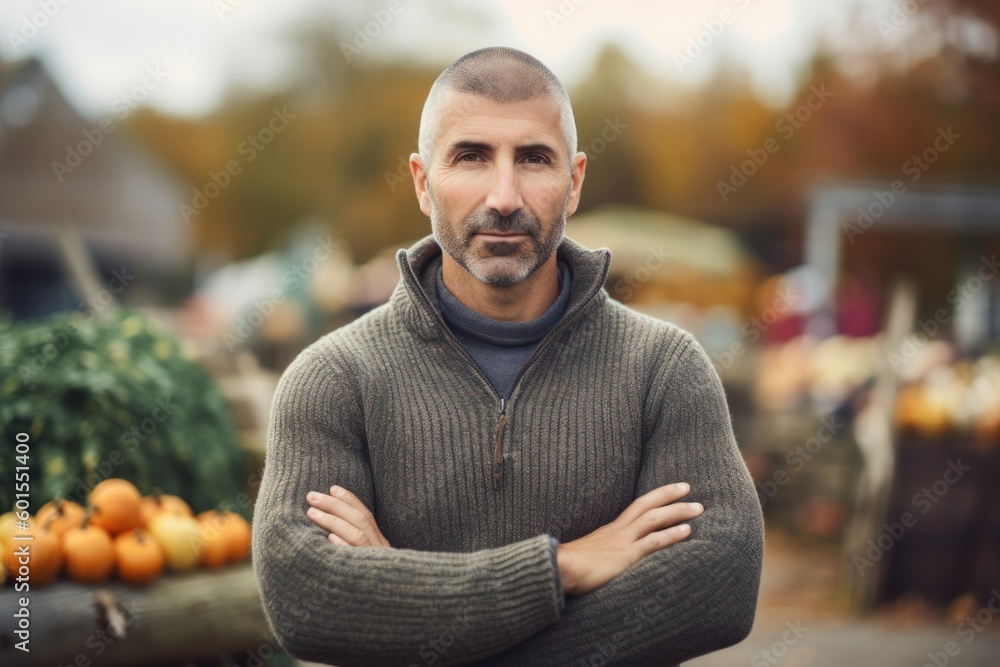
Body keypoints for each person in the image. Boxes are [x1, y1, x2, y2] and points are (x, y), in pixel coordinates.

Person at [252, 46, 764, 667]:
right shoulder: (334, 380)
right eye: (470, 157)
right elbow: (305, 603)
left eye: (533, 159)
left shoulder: (663, 370)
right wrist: (563, 567)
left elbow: (721, 587)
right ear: (421, 181)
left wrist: (401, 599)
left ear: (573, 182)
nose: (502, 196)